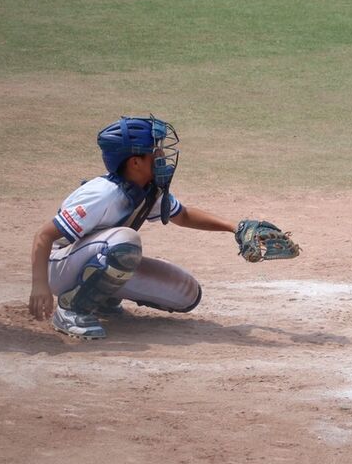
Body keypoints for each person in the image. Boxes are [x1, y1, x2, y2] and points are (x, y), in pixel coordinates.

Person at [28, 116, 299, 339]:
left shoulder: (147, 190)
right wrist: (40, 285)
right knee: (126, 240)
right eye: (154, 151)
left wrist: (234, 228)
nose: (161, 155)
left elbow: (184, 215)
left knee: (186, 293)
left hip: (88, 258)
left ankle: (100, 297)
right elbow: (45, 236)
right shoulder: (103, 194)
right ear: (135, 162)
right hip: (58, 266)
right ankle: (71, 309)